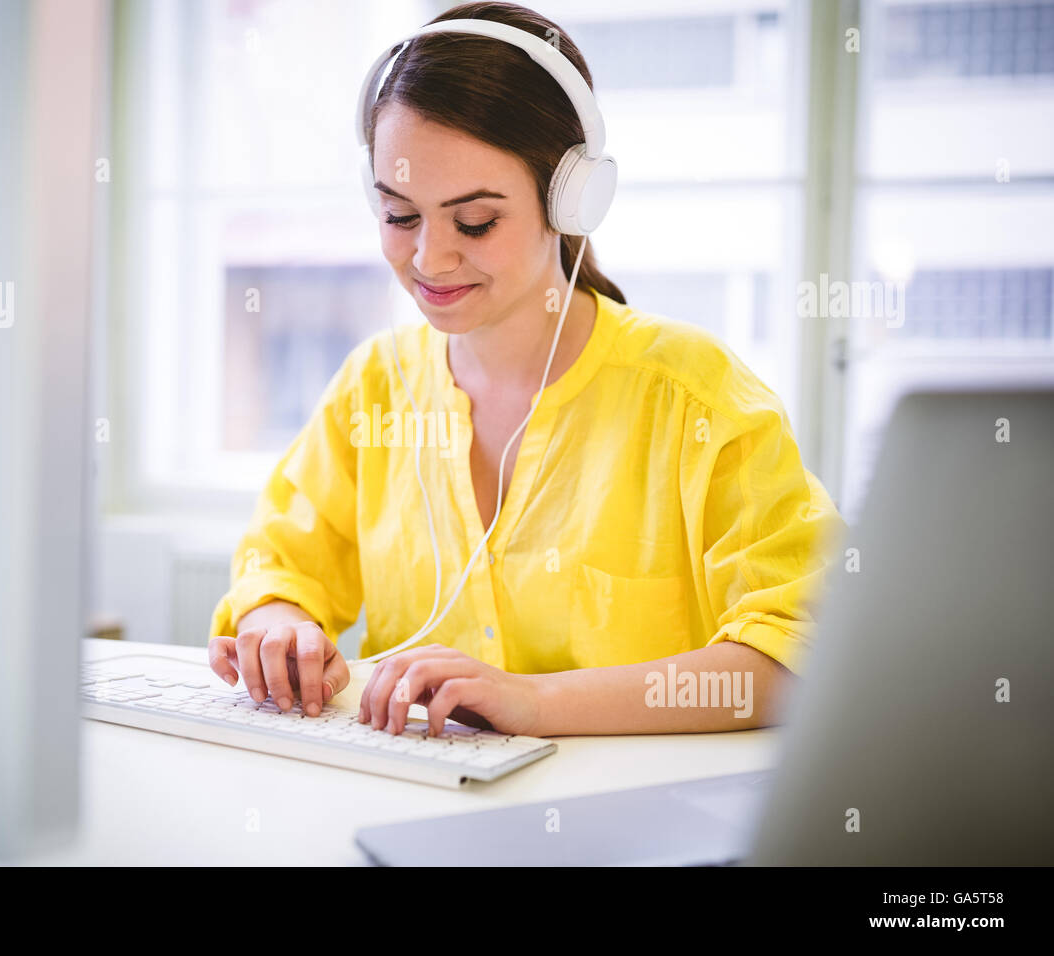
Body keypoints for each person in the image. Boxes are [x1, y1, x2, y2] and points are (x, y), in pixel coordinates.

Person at [207, 1, 846, 739]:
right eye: (399, 215)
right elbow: (279, 563)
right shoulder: (373, 387)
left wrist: (537, 703)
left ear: (569, 200)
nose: (429, 259)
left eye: (475, 222)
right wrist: (279, 622)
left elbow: (800, 662)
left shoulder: (694, 396)